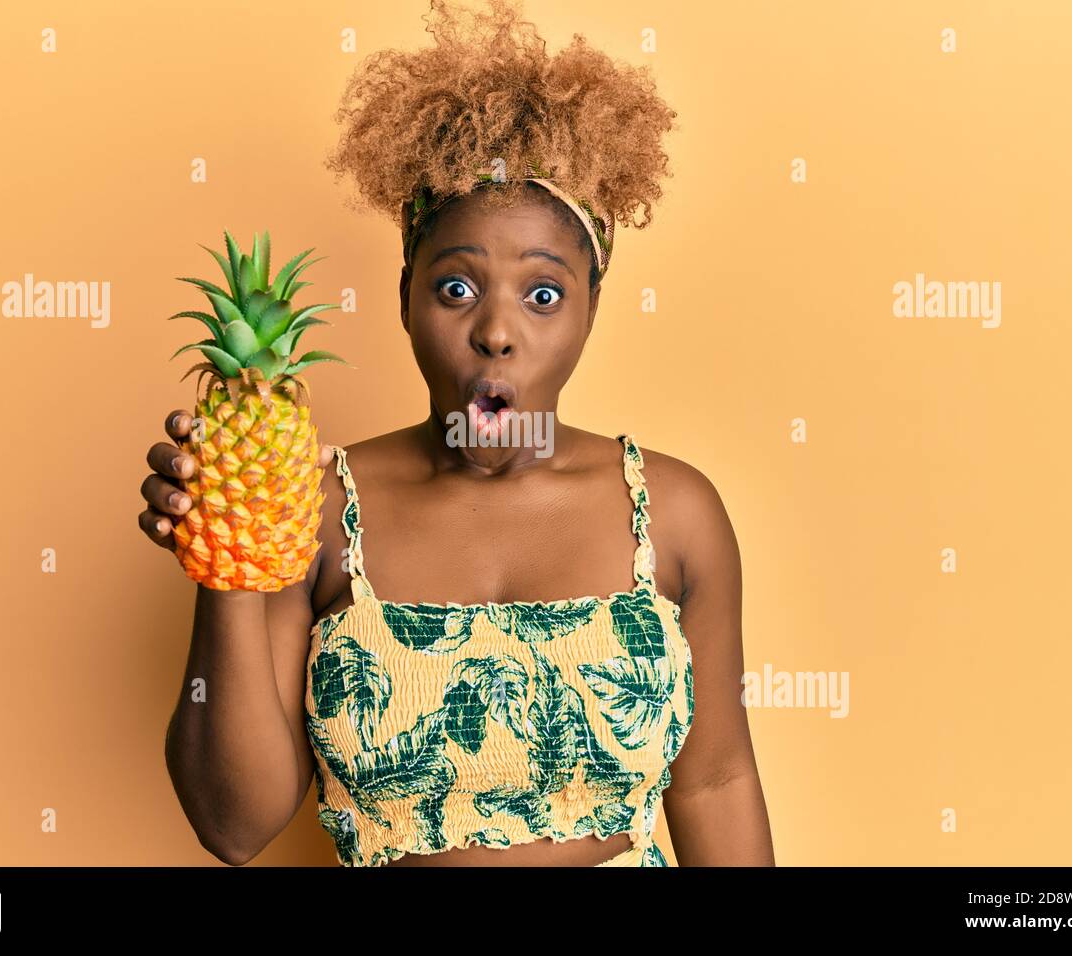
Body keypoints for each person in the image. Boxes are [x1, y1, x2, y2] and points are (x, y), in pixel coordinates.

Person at [141, 0, 774, 867]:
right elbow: (234, 825)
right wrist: (226, 557)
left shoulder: (675, 511)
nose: (497, 332)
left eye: (544, 294)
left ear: (592, 310)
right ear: (405, 297)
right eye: (456, 289)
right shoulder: (316, 508)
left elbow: (715, 782)